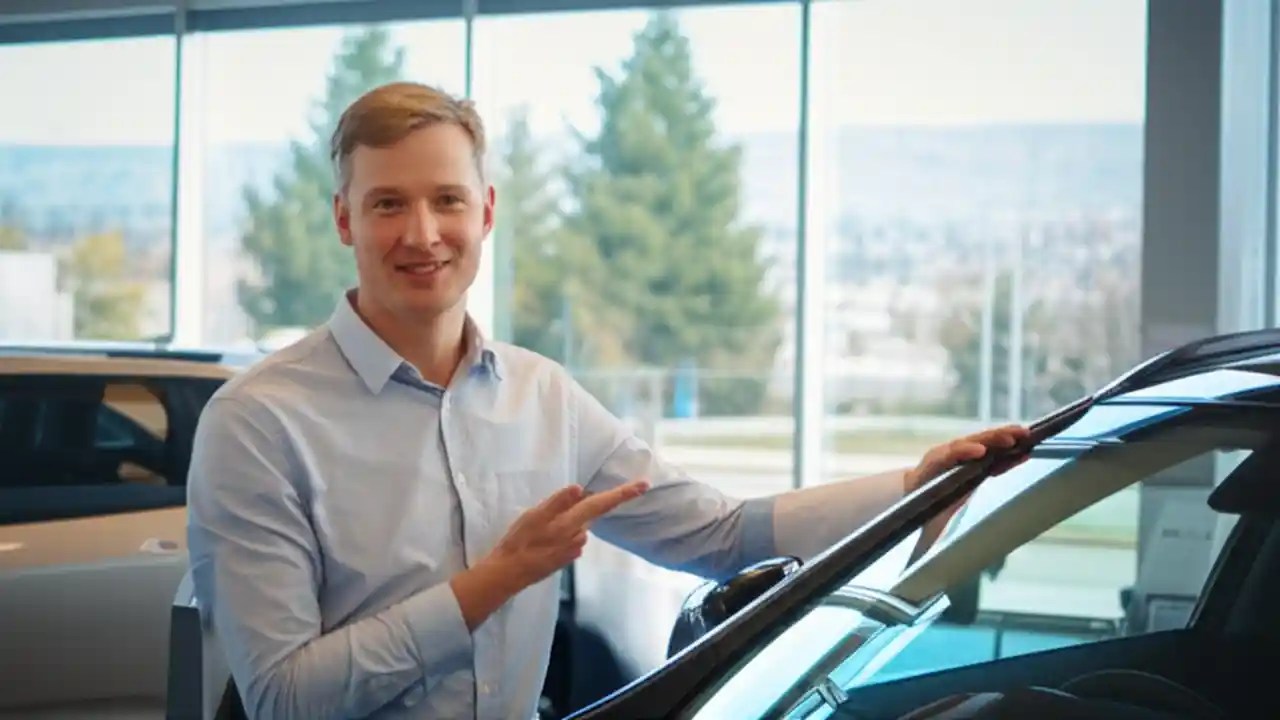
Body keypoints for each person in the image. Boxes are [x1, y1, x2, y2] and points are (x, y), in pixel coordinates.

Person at [185, 81, 1029, 720]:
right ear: (343, 221)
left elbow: (720, 534)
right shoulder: (258, 422)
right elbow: (283, 698)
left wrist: (911, 486)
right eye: (387, 204)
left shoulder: (541, 396)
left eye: (446, 200)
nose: (422, 233)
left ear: (486, 212)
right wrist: (498, 581)